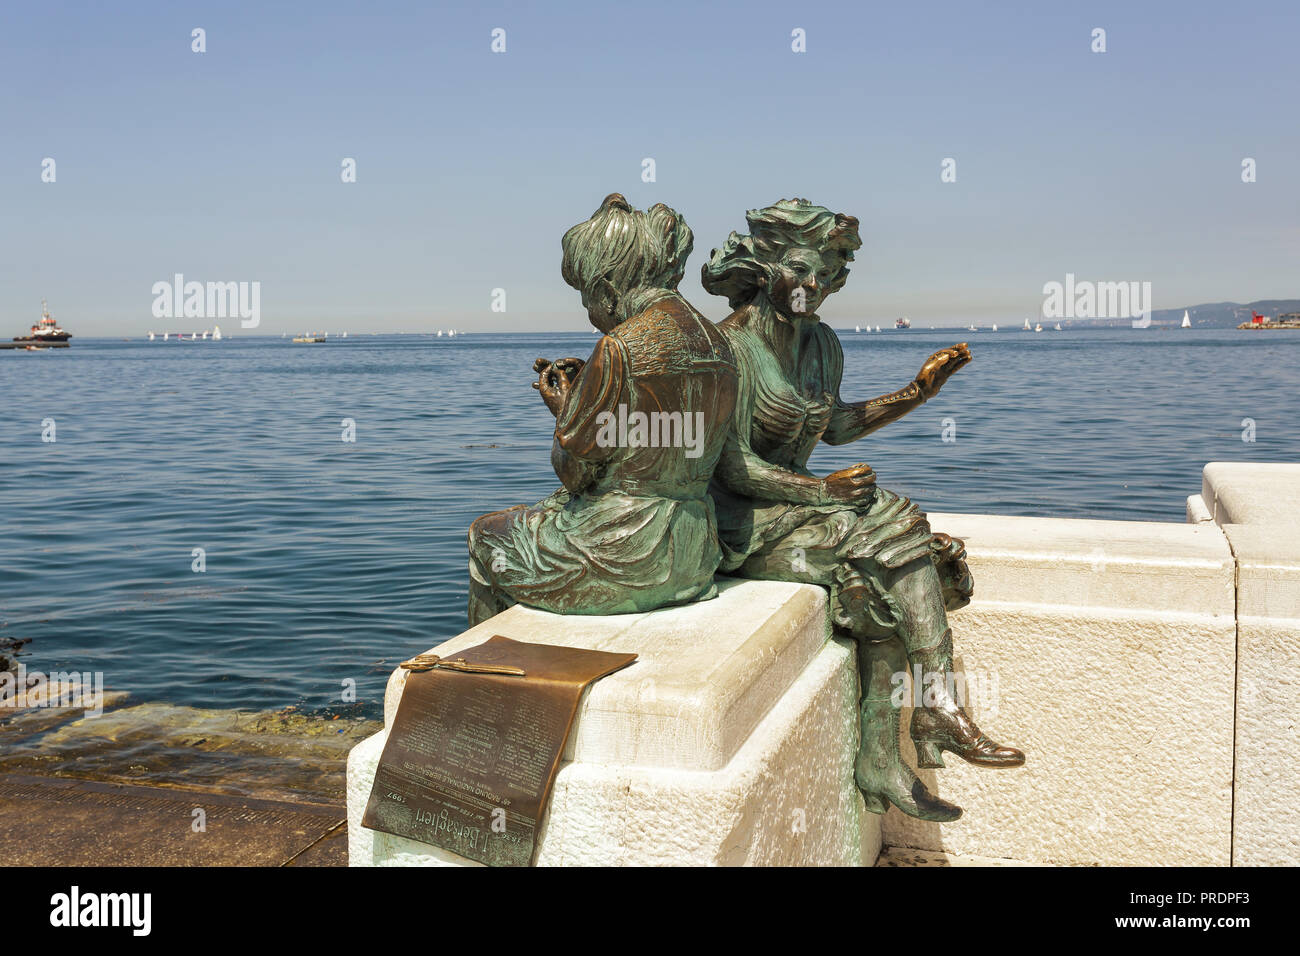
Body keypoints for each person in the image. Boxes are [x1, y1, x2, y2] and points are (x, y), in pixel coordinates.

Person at [702, 198, 1022, 821]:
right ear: (766, 266)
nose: (814, 287)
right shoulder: (725, 348)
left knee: (884, 573)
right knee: (900, 537)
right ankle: (938, 708)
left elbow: (835, 427)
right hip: (739, 521)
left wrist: (917, 392)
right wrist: (821, 494)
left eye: (829, 274)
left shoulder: (822, 344)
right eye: (802, 270)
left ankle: (887, 754)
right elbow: (729, 464)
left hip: (798, 508)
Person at [467, 194, 738, 625]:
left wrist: (565, 410)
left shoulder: (618, 347)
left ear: (606, 291)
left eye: (586, 299)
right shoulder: (719, 345)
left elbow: (575, 472)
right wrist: (589, 394)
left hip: (628, 554)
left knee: (485, 535)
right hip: (695, 552)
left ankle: (479, 679)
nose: (589, 312)